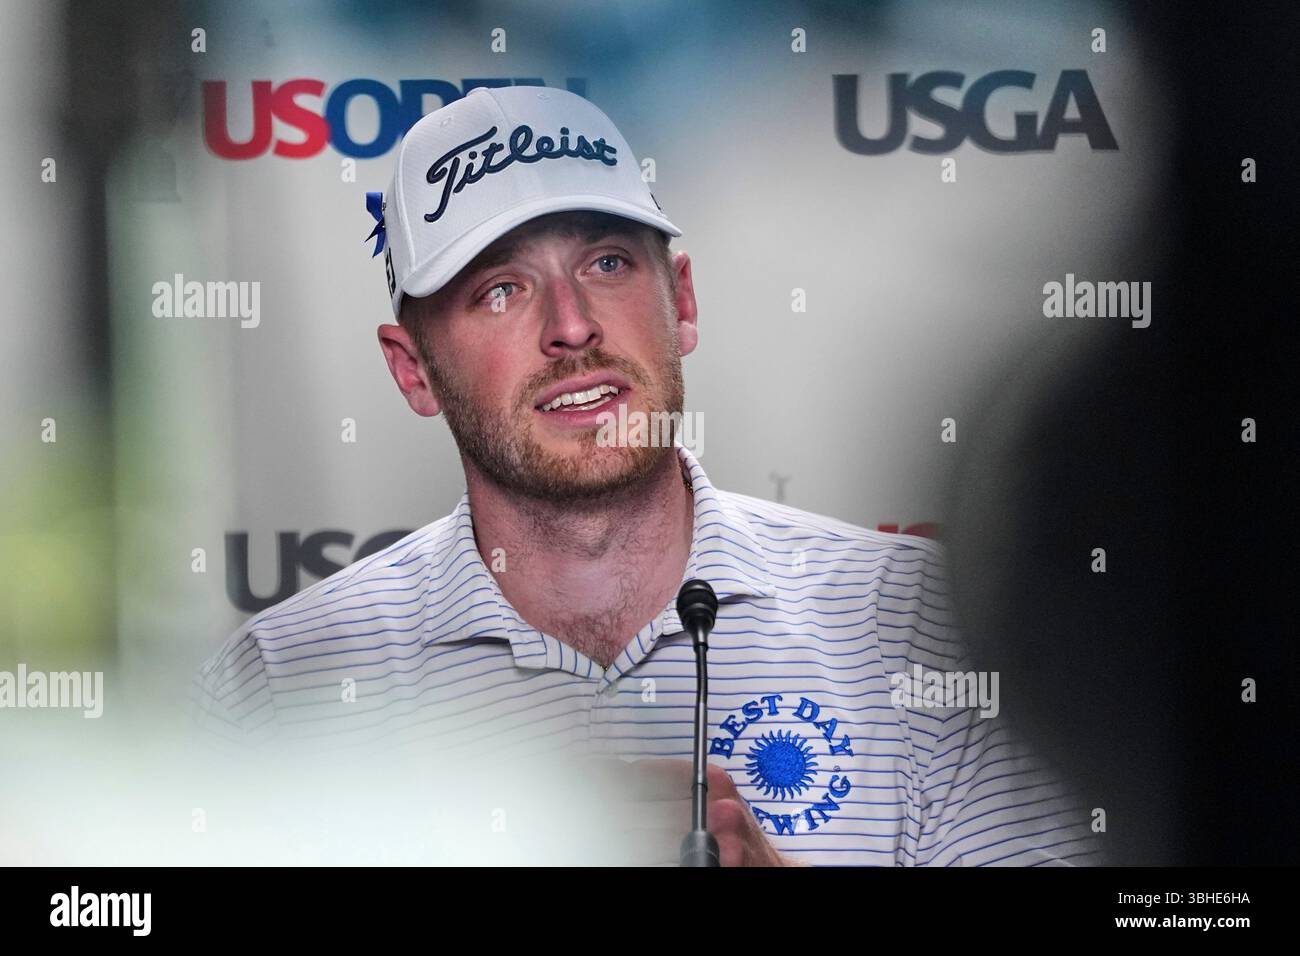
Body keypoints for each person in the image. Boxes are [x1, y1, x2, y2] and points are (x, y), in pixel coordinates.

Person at [194, 86, 1098, 867]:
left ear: (685, 301)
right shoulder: (285, 683)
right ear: (413, 372)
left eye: (608, 262)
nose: (574, 325)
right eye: (499, 289)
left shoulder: (920, 625)